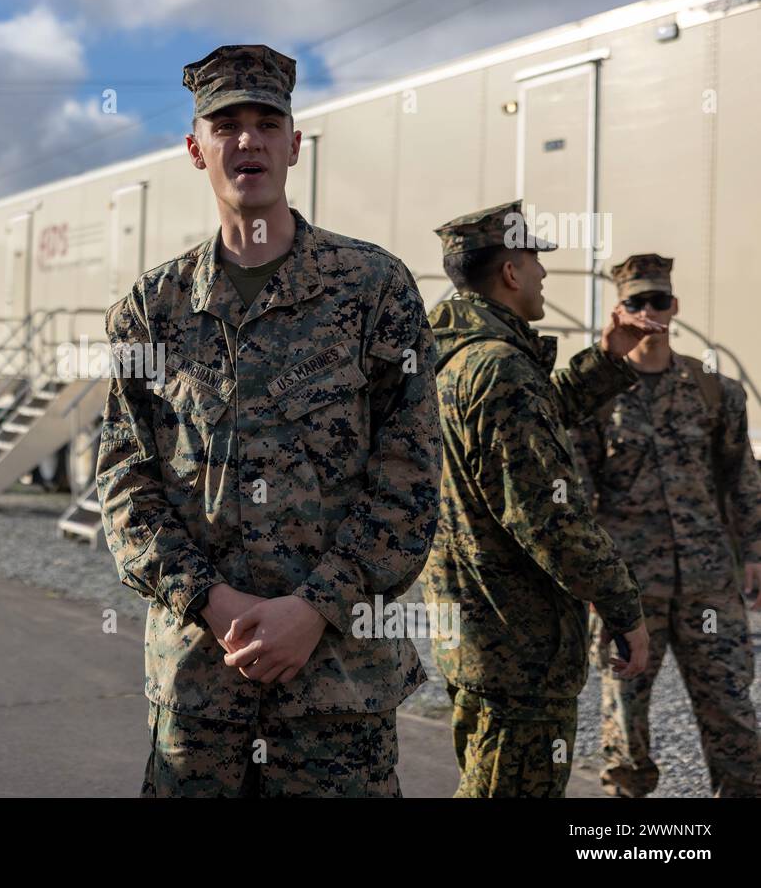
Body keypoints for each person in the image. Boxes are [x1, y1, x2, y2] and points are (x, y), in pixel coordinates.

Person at [96, 44, 441, 797]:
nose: (246, 139)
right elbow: (126, 484)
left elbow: (410, 478)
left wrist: (315, 608)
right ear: (195, 148)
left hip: (337, 692)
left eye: (266, 122)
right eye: (225, 123)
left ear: (294, 143)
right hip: (199, 689)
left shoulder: (373, 289)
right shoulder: (151, 309)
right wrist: (210, 601)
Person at [424, 199, 658, 797]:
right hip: (518, 648)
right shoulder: (500, 368)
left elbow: (530, 421)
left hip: (477, 634)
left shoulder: (456, 357)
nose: (544, 274)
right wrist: (623, 606)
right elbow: (550, 520)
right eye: (535, 260)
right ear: (509, 272)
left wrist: (606, 360)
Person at [571, 253, 761, 797]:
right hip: (628, 590)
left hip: (708, 586)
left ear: (674, 305)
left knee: (733, 718)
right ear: (620, 309)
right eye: (637, 302)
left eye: (659, 300)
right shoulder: (597, 395)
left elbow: (740, 477)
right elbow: (578, 495)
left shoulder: (715, 391)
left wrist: (755, 551)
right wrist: (588, 579)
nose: (650, 311)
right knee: (626, 732)